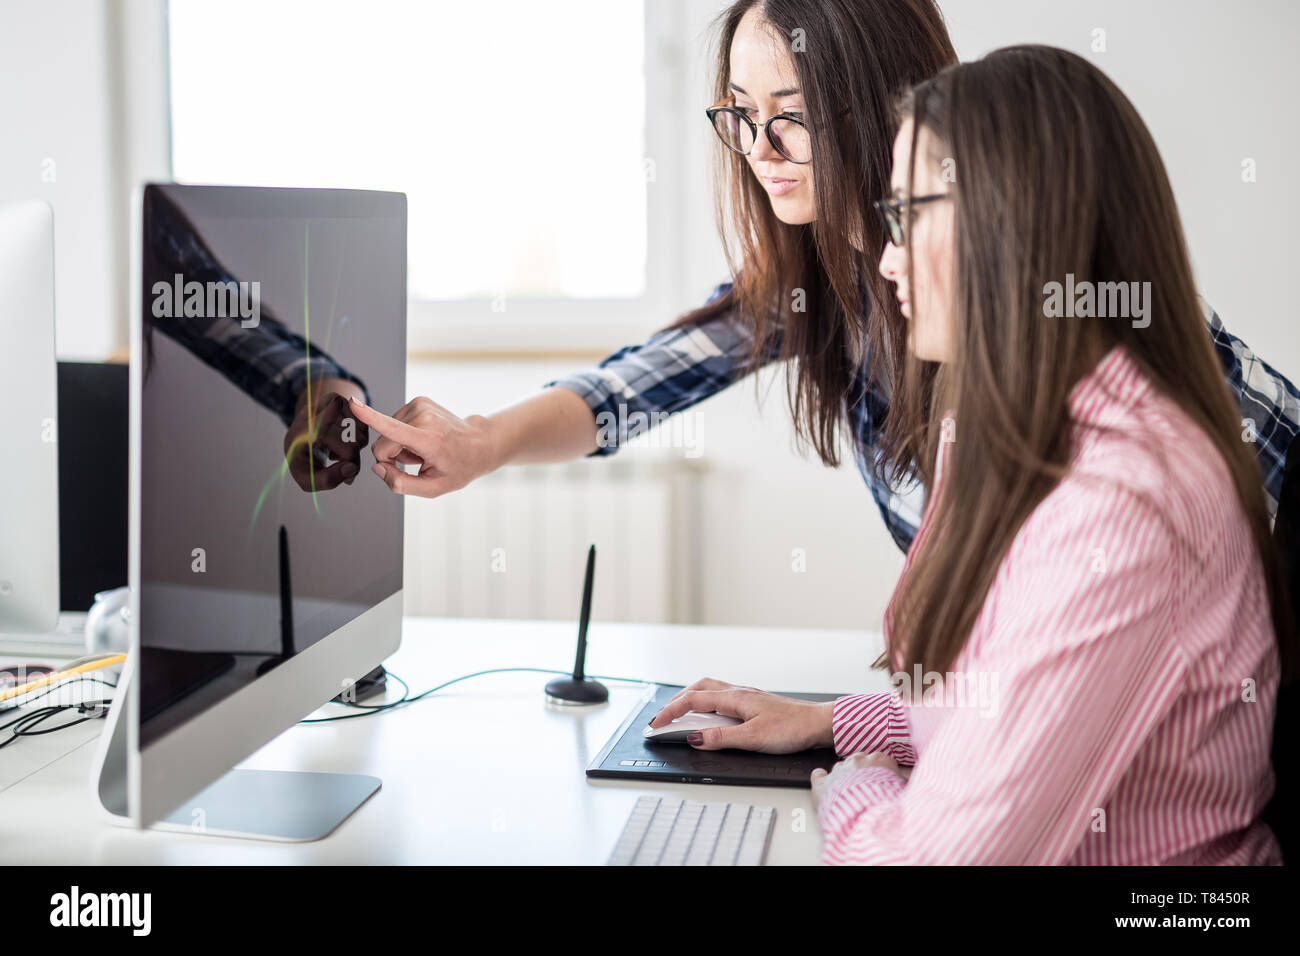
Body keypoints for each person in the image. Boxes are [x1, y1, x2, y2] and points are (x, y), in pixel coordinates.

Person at [657, 45, 1291, 864]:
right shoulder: (1029, 434)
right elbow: (1010, 707)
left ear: (1010, 224)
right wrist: (841, 723)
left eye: (906, 217)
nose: (886, 260)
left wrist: (853, 786)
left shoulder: (1120, 508)